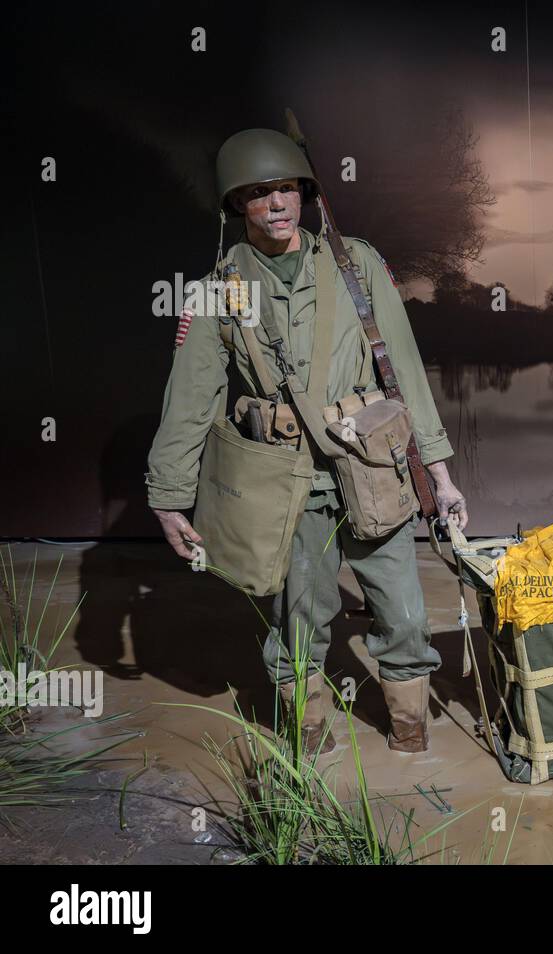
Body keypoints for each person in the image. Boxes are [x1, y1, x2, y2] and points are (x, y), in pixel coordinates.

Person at [145, 128, 469, 752]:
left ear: (306, 194)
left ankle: (409, 732)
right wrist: (169, 495)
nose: (277, 204)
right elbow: (190, 398)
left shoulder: (358, 265)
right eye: (260, 193)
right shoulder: (218, 290)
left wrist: (441, 474)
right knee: (300, 623)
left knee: (404, 617)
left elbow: (402, 368)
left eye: (288, 189)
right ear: (239, 204)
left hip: (371, 469)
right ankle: (309, 742)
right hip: (286, 482)